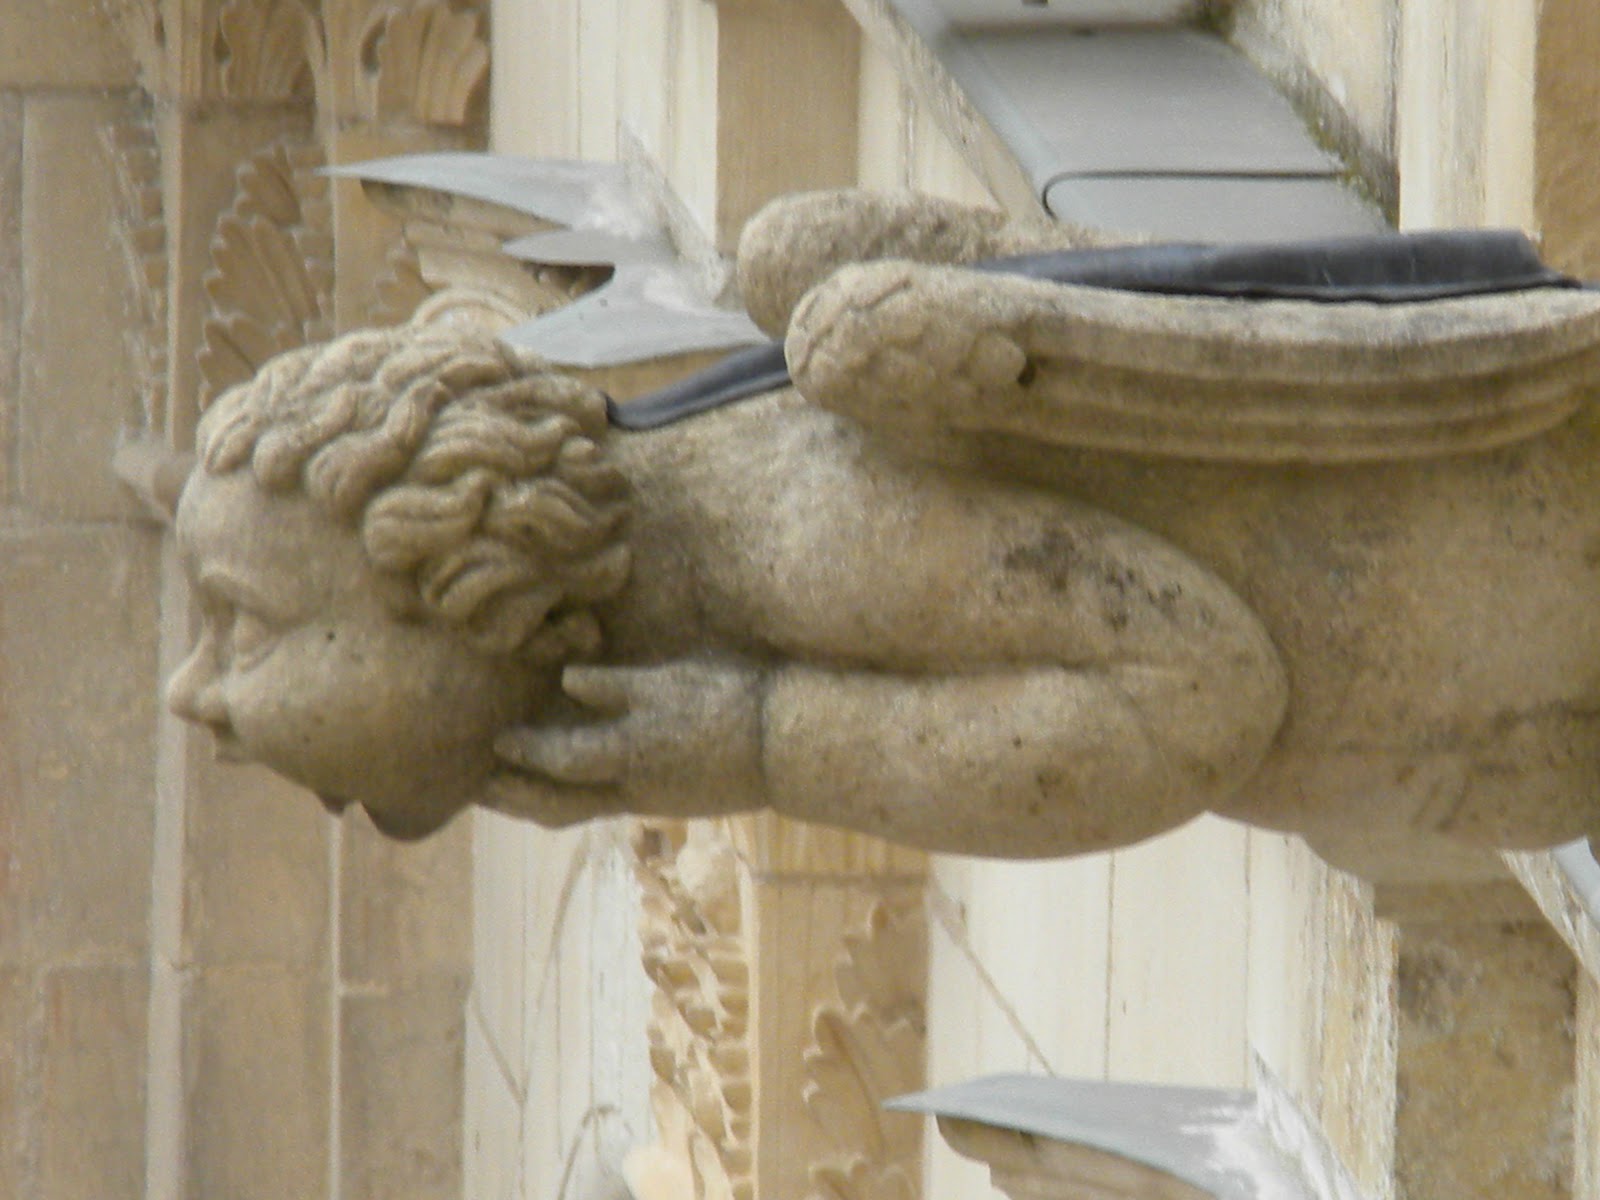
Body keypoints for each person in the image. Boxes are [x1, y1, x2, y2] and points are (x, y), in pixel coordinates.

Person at [168, 318, 1287, 853]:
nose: (190, 693)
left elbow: (1204, 694)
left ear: (453, 576)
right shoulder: (735, 535)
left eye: (245, 624)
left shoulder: (808, 527)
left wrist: (767, 744)